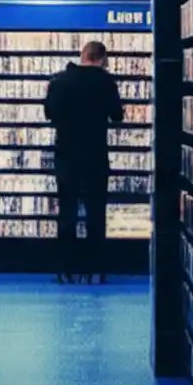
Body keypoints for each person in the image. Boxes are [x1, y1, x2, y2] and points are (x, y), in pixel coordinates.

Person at [43, 40, 124, 284]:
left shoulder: (59, 81)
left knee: (67, 212)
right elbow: (117, 116)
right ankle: (95, 268)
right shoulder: (106, 82)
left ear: (83, 55)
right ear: (102, 58)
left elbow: (49, 113)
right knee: (96, 213)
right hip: (96, 156)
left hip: (66, 155)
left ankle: (64, 268)